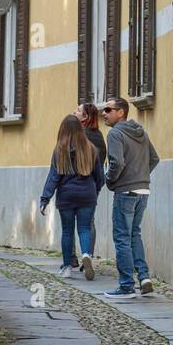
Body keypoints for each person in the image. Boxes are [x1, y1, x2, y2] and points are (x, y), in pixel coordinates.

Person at [100, 97, 159, 299]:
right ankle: (143, 277)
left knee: (122, 238)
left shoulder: (115, 134)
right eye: (103, 110)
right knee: (134, 234)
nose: (104, 113)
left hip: (125, 192)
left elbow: (116, 162)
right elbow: (154, 159)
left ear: (121, 112)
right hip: (143, 191)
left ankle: (126, 286)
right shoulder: (141, 132)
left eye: (108, 110)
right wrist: (141, 176)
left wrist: (110, 181)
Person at [39, 115, 104, 281]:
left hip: (66, 196)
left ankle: (67, 266)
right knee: (84, 228)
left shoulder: (59, 151)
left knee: (67, 231)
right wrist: (94, 191)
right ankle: (86, 254)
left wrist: (45, 199)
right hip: (87, 195)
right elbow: (100, 176)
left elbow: (53, 177)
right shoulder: (91, 149)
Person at [66, 103, 106, 268]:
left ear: (85, 117)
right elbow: (100, 163)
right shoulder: (99, 136)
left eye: (78, 111)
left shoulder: (76, 136)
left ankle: (71, 257)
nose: (74, 112)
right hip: (91, 185)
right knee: (89, 222)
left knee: (69, 223)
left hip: (71, 184)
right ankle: (87, 254)